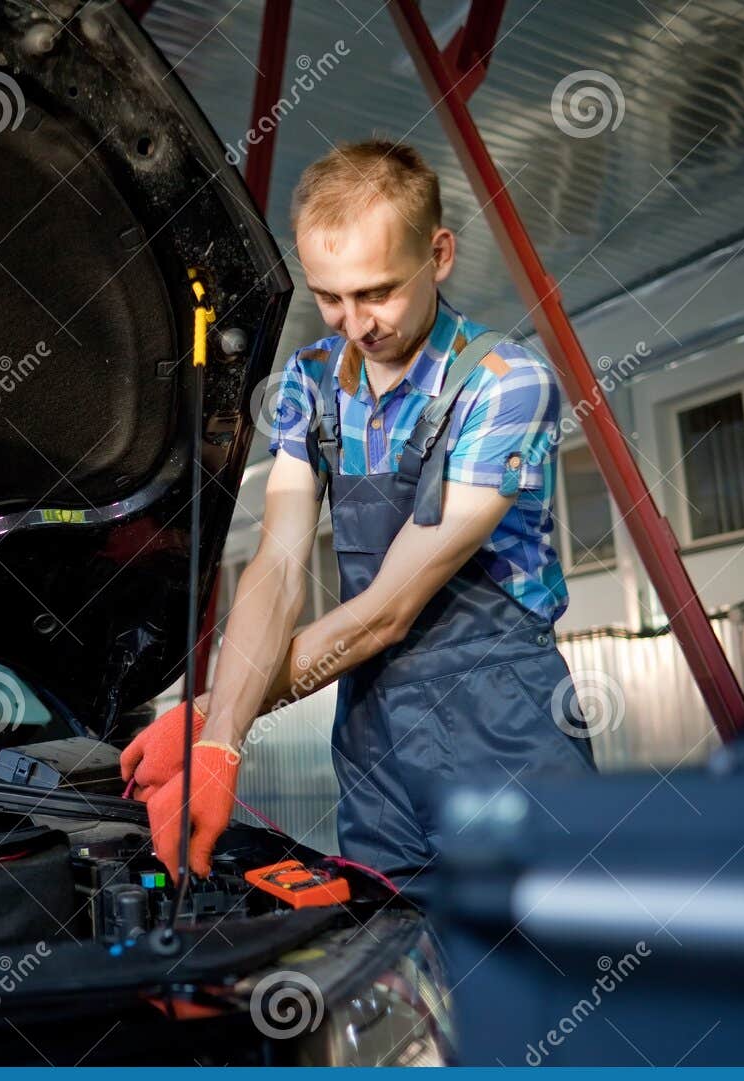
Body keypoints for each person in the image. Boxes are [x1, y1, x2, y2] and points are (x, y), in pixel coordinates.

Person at [121, 140, 597, 885]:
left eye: (377, 292)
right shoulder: (309, 385)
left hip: (504, 733)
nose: (353, 323)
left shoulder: (505, 385)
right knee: (387, 959)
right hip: (373, 736)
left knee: (533, 973)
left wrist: (219, 728)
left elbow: (387, 609)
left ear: (438, 253)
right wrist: (212, 723)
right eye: (329, 296)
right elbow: (277, 567)